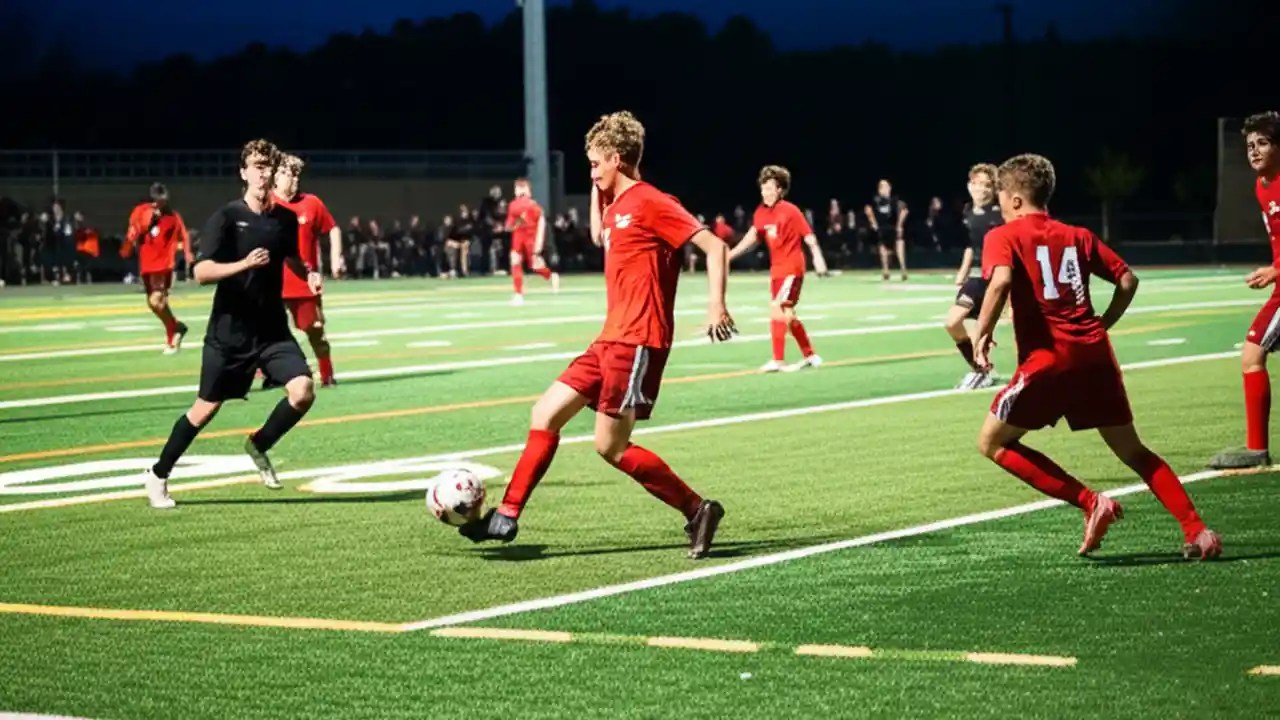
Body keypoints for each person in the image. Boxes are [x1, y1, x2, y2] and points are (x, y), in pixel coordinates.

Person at [460, 111, 738, 559]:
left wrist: (715, 305)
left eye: (595, 164)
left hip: (638, 340)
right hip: (608, 339)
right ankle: (506, 516)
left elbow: (715, 246)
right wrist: (598, 185)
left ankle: (697, 508)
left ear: (616, 158)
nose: (591, 173)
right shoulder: (615, 207)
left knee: (610, 447)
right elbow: (598, 233)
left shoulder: (652, 201)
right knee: (545, 412)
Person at [973, 153, 1220, 560]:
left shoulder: (1003, 235)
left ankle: (1090, 501)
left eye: (1000, 195)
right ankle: (1197, 530)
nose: (998, 205)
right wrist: (1104, 322)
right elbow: (1128, 279)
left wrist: (982, 333)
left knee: (993, 443)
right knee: (1134, 452)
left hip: (1049, 360)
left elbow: (999, 281)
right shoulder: (1078, 235)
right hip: (1095, 355)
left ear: (1015, 199)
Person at [141, 139, 323, 509]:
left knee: (303, 390)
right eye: (256, 166)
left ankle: (258, 444)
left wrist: (309, 272)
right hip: (229, 332)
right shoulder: (226, 217)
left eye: (268, 167)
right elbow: (201, 272)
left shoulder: (284, 219)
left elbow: (290, 257)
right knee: (205, 409)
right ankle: (158, 474)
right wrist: (243, 265)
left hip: (271, 330)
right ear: (243, 172)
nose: (263, 173)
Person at [1209, 111, 1280, 470]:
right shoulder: (1262, 185)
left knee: (1252, 354)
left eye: (1263, 143)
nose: (1254, 151)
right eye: (1250, 145)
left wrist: (1275, 270)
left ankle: (1257, 449)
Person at [729, 165, 828, 373]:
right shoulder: (761, 212)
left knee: (777, 308)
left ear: (780, 189)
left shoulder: (791, 211)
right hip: (777, 271)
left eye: (770, 188)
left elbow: (809, 237)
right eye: (763, 189)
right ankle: (810, 355)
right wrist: (730, 255)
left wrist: (818, 259)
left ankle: (778, 359)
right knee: (788, 314)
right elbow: (753, 237)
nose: (765, 193)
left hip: (792, 268)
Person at [272, 153, 342, 387]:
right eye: (287, 174)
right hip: (271, 281)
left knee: (315, 330)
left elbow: (333, 229)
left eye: (296, 175)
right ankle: (272, 372)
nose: (293, 180)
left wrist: (335, 259)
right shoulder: (264, 204)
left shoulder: (311, 203)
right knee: (266, 331)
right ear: (275, 176)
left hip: (304, 282)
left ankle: (327, 373)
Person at [946, 163, 1004, 389]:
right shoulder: (968, 212)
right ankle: (980, 368)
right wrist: (962, 272)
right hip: (979, 279)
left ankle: (982, 370)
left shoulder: (1001, 213)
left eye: (987, 185)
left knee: (981, 328)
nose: (982, 189)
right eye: (977, 184)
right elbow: (970, 246)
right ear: (970, 186)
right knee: (952, 323)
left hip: (998, 277)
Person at [125, 183, 191, 353]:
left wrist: (187, 254)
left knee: (157, 301)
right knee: (154, 303)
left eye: (163, 201)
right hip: (147, 264)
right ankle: (176, 329)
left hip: (163, 266)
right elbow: (133, 231)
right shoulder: (141, 212)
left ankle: (173, 333)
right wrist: (142, 225)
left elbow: (183, 235)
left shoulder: (172, 217)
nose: (160, 204)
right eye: (157, 201)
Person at [506, 177, 560, 305]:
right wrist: (517, 222)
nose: (519, 191)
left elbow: (541, 224)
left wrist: (539, 244)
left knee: (535, 266)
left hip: (531, 239)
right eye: (518, 188)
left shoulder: (534, 206)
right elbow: (509, 226)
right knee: (515, 261)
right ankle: (518, 294)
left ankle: (550, 275)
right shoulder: (513, 205)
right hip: (518, 238)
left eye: (522, 188)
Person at [864, 179, 908, 281]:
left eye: (887, 186)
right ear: (879, 190)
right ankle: (885, 270)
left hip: (894, 226)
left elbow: (904, 210)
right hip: (882, 227)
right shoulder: (876, 200)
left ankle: (903, 269)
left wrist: (899, 225)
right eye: (882, 187)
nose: (885, 189)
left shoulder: (895, 199)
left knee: (899, 243)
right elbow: (868, 210)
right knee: (883, 247)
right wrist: (873, 222)